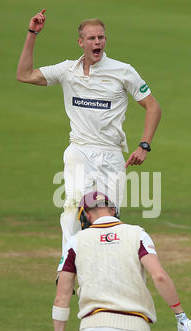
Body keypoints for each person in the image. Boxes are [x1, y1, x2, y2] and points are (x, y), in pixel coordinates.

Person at [16, 10, 162, 269]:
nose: (98, 43)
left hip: (111, 153)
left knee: (110, 217)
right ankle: (67, 268)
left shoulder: (122, 71)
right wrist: (32, 34)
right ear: (81, 43)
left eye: (102, 38)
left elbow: (153, 107)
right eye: (92, 38)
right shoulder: (67, 71)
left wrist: (144, 145)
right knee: (73, 210)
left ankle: (106, 271)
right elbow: (24, 74)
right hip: (80, 150)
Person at [39, 191, 191, 331]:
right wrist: (181, 317)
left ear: (86, 215)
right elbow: (160, 276)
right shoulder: (138, 234)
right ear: (113, 210)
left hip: (97, 330)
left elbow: (61, 298)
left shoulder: (75, 242)